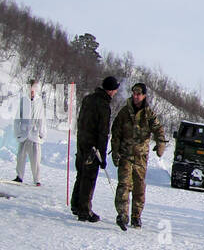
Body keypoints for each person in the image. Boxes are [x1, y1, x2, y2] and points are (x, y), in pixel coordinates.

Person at [110, 82, 167, 230]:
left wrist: (161, 144)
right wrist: (115, 151)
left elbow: (159, 130)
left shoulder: (149, 114)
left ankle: (136, 215)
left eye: (139, 94)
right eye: (134, 93)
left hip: (141, 157)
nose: (136, 96)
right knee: (124, 184)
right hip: (125, 155)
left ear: (144, 95)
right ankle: (122, 214)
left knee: (139, 187)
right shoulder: (124, 113)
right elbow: (115, 133)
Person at [70, 75, 118, 222]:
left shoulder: (87, 99)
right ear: (111, 90)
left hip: (82, 142)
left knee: (81, 174)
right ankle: (84, 211)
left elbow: (80, 121)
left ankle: (76, 204)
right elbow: (103, 133)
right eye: (115, 89)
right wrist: (102, 156)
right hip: (93, 148)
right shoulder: (103, 106)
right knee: (89, 178)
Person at [13, 78, 47, 185]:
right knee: (21, 157)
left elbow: (42, 118)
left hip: (35, 135)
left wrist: (42, 133)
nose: (32, 91)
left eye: (34, 89)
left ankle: (37, 180)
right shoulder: (24, 100)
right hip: (24, 134)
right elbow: (18, 117)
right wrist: (18, 132)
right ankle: (19, 176)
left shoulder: (39, 102)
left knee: (35, 159)